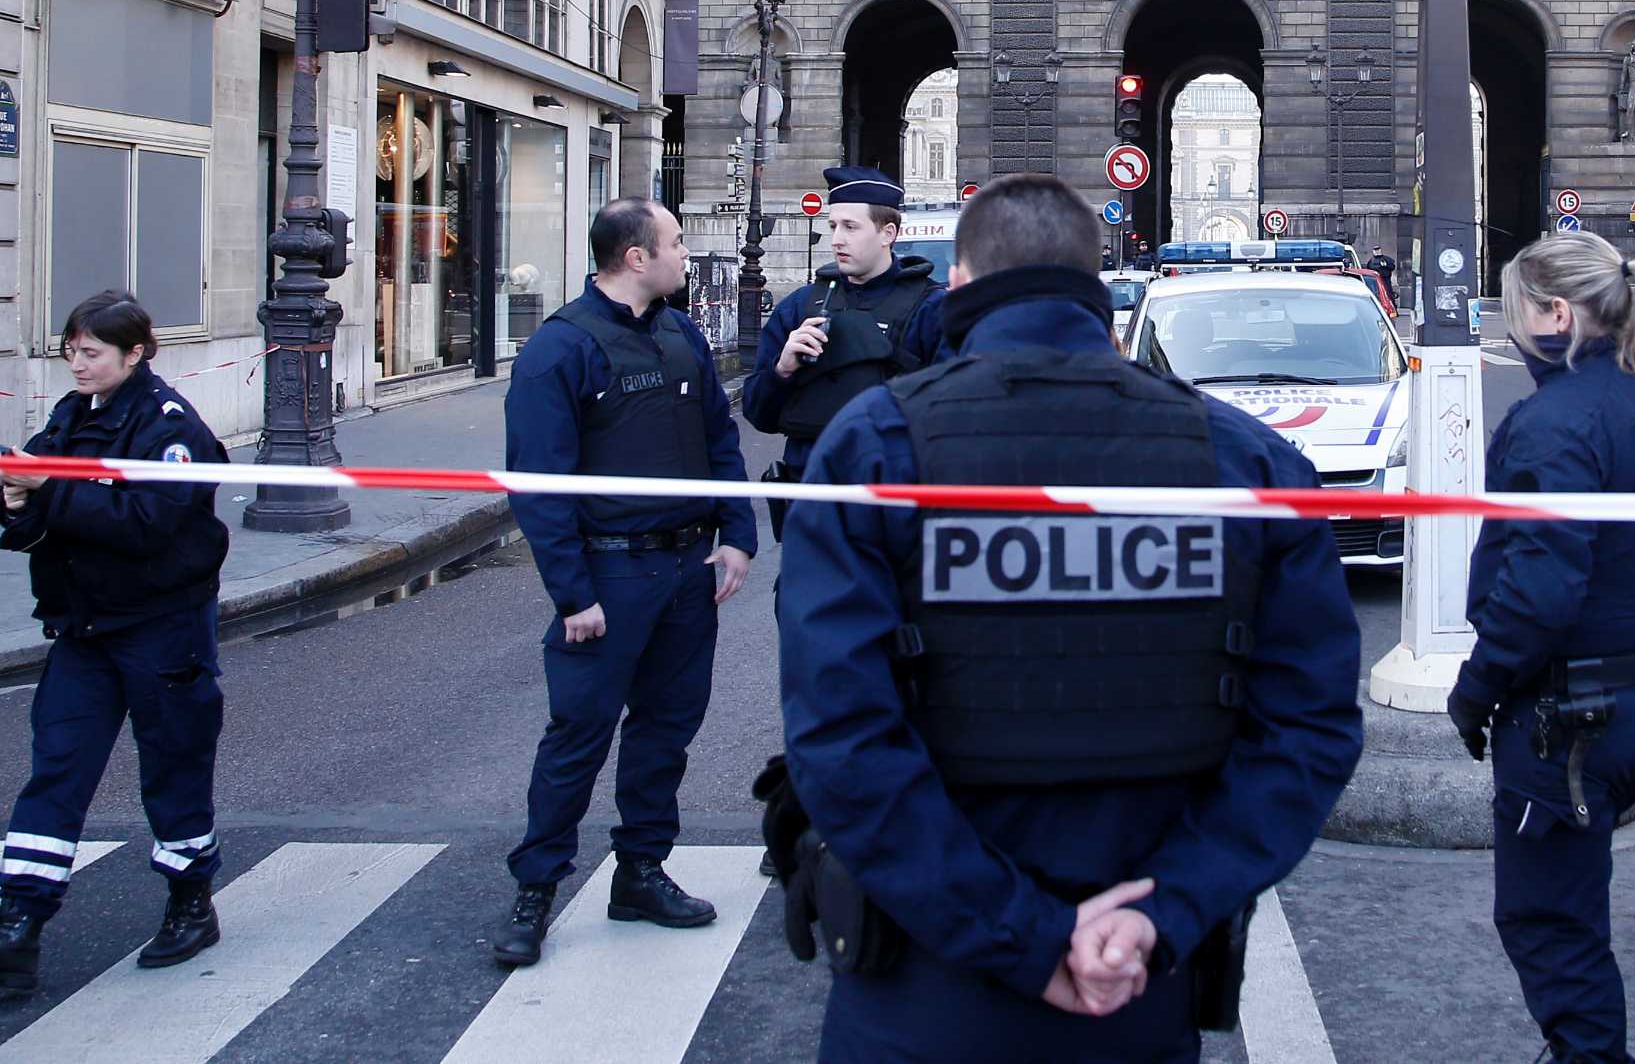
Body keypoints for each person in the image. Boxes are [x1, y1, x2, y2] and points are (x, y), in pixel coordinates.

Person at [773, 173, 1363, 1061]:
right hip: (1138, 979)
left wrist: (1020, 934)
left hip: (924, 981)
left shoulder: (876, 442)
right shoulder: (1246, 460)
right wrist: (1168, 908)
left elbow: (842, 736)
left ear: (961, 284)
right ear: (1102, 290)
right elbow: (1309, 727)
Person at [1445, 231, 1635, 1064]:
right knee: (1574, 902)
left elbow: (1543, 589)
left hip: (1569, 715)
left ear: (1557, 314)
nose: (1513, 324)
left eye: (1518, 307)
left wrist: (1478, 686)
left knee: (1548, 921)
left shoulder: (1555, 421)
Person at [0, 290, 233, 992]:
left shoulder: (169, 428)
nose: (78, 363)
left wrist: (46, 494)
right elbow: (38, 504)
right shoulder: (70, 417)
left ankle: (191, 901)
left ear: (135, 354)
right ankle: (19, 922)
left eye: (91, 352)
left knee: (173, 765)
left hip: (162, 627)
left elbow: (148, 522)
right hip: (82, 628)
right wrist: (13, 497)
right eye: (71, 349)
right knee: (58, 767)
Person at [491, 200, 756, 968]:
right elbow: (538, 485)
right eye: (675, 242)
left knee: (666, 729)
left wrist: (736, 535)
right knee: (578, 735)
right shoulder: (561, 348)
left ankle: (640, 871)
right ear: (635, 258)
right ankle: (536, 889)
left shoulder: (682, 335)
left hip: (686, 569)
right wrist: (573, 595)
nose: (684, 253)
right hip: (610, 570)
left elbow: (719, 441)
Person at [741, 166, 946, 536]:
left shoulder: (932, 310)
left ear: (888, 233)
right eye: (833, 225)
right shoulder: (801, 305)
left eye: (850, 227)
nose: (836, 239)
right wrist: (782, 370)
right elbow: (759, 414)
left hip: (892, 502)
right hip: (812, 501)